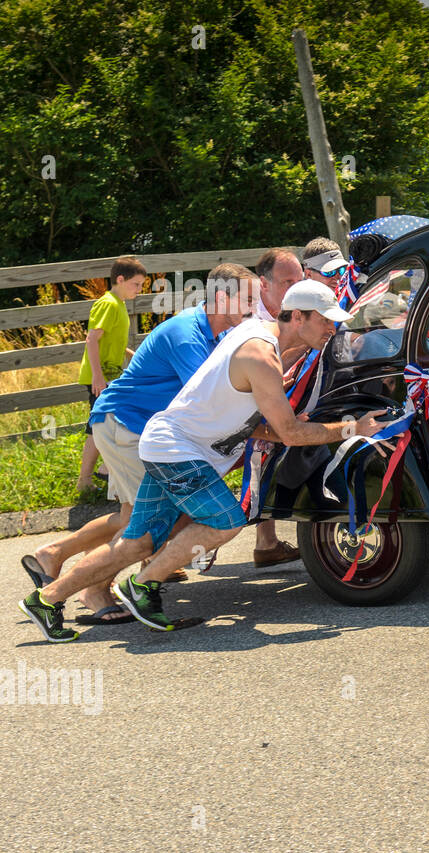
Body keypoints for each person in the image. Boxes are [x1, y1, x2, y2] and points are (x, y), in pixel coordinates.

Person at [19, 280, 389, 641]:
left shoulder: (259, 335)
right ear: (298, 317)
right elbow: (291, 433)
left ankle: (45, 600)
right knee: (226, 520)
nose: (332, 327)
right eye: (324, 319)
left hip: (167, 445)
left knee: (137, 544)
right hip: (178, 450)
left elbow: (258, 426)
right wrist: (352, 428)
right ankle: (142, 586)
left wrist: (287, 420)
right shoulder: (261, 356)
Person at [20, 264, 260, 624]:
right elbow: (212, 396)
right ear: (222, 298)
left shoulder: (215, 332)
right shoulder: (189, 335)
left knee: (130, 516)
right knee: (141, 527)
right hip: (128, 426)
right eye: (249, 298)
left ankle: (52, 554)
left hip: (137, 428)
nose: (255, 306)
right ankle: (92, 591)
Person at [250, 247, 306, 566]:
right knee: (263, 443)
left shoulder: (288, 308)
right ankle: (158, 553)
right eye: (287, 281)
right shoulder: (250, 318)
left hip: (262, 401)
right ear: (263, 284)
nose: (295, 287)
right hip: (225, 411)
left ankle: (267, 542)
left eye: (299, 280)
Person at [76, 256, 147, 494]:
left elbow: (110, 340)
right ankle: (86, 480)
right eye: (136, 284)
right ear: (120, 279)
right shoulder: (108, 303)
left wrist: (131, 354)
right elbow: (92, 339)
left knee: (111, 421)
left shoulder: (118, 304)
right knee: (98, 426)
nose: (139, 290)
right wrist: (97, 377)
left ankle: (108, 471)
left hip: (110, 376)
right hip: (101, 378)